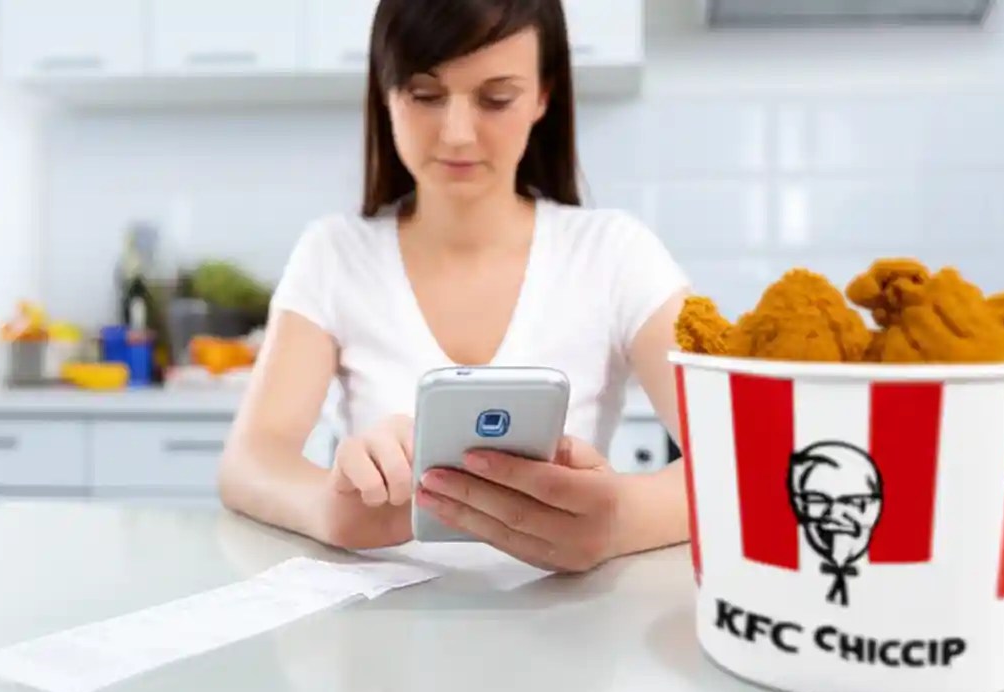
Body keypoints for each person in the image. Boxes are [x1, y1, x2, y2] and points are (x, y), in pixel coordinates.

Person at [218, 0, 691, 573]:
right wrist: (327, 508)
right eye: (424, 95)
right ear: (385, 95)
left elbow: (748, 455)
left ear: (544, 95)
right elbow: (250, 460)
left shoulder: (616, 252)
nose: (458, 134)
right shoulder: (334, 254)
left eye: (496, 99)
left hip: (567, 629)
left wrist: (621, 519)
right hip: (381, 631)